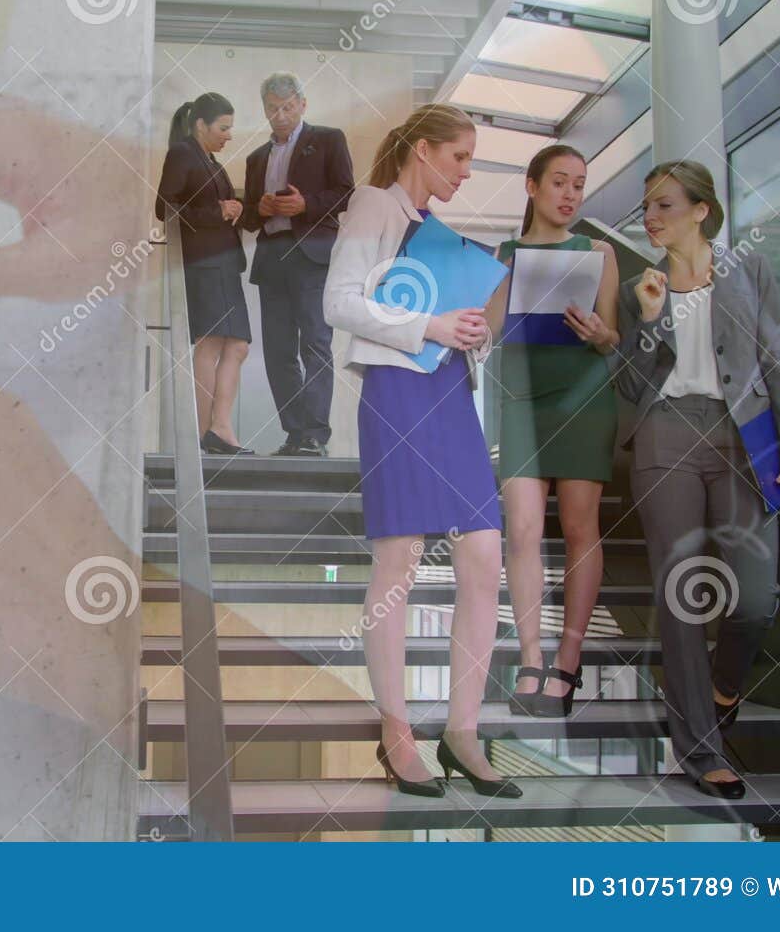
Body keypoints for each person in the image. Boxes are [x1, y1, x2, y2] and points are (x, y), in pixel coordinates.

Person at [323, 103, 519, 799]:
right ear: (425, 151)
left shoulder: (438, 233)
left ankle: (462, 732)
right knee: (400, 559)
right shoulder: (374, 204)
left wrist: (474, 330)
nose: (467, 171)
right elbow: (338, 302)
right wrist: (432, 321)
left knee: (484, 555)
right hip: (396, 393)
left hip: (449, 394)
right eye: (461, 157)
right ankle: (397, 731)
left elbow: (459, 328)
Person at [613, 160, 780, 800]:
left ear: (702, 210)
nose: (651, 216)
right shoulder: (641, 285)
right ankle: (702, 751)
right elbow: (629, 387)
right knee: (681, 597)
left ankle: (725, 688)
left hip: (740, 438)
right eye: (647, 206)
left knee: (755, 597)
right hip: (664, 434)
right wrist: (646, 323)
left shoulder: (748, 270)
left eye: (665, 204)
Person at [487, 145, 620, 718]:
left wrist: (597, 331)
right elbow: (488, 331)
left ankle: (569, 654)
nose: (569, 195)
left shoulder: (599, 252)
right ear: (532, 186)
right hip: (519, 401)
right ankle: (531, 655)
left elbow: (612, 336)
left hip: (584, 397)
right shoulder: (506, 253)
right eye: (560, 182)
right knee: (519, 528)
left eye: (579, 185)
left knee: (577, 525)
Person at [240, 72, 354, 456]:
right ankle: (295, 432)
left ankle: (315, 433)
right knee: (277, 349)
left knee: (316, 344)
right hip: (272, 256)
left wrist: (307, 204)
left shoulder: (328, 139)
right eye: (273, 108)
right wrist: (259, 207)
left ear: (303, 105)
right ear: (264, 110)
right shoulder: (256, 159)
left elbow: (345, 193)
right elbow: (250, 220)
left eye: (287, 107)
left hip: (311, 255)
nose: (280, 114)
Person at [155, 92, 254, 455]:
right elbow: (165, 207)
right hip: (206, 264)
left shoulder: (210, 161)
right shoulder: (183, 153)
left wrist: (232, 209)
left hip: (224, 264)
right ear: (200, 125)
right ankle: (204, 432)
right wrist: (217, 211)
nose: (229, 135)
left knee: (238, 346)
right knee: (211, 344)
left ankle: (219, 427)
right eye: (223, 128)